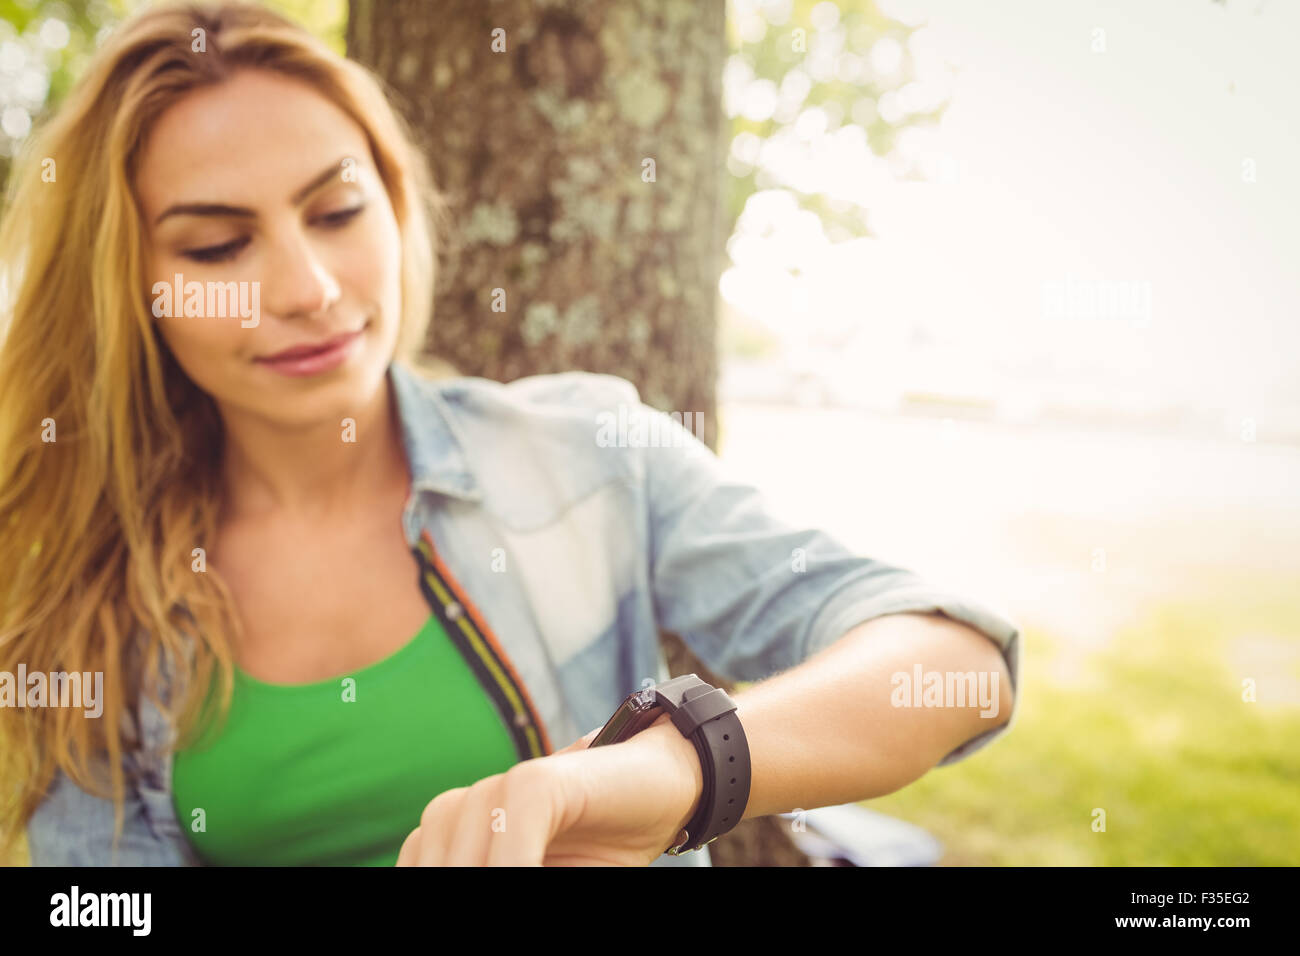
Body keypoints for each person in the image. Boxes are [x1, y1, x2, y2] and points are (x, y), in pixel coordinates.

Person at [0, 1, 1020, 867]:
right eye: (219, 245)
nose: (308, 289)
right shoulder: (91, 582)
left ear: (395, 208)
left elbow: (960, 664)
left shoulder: (583, 454)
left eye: (338, 210)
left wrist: (674, 766)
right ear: (131, 285)